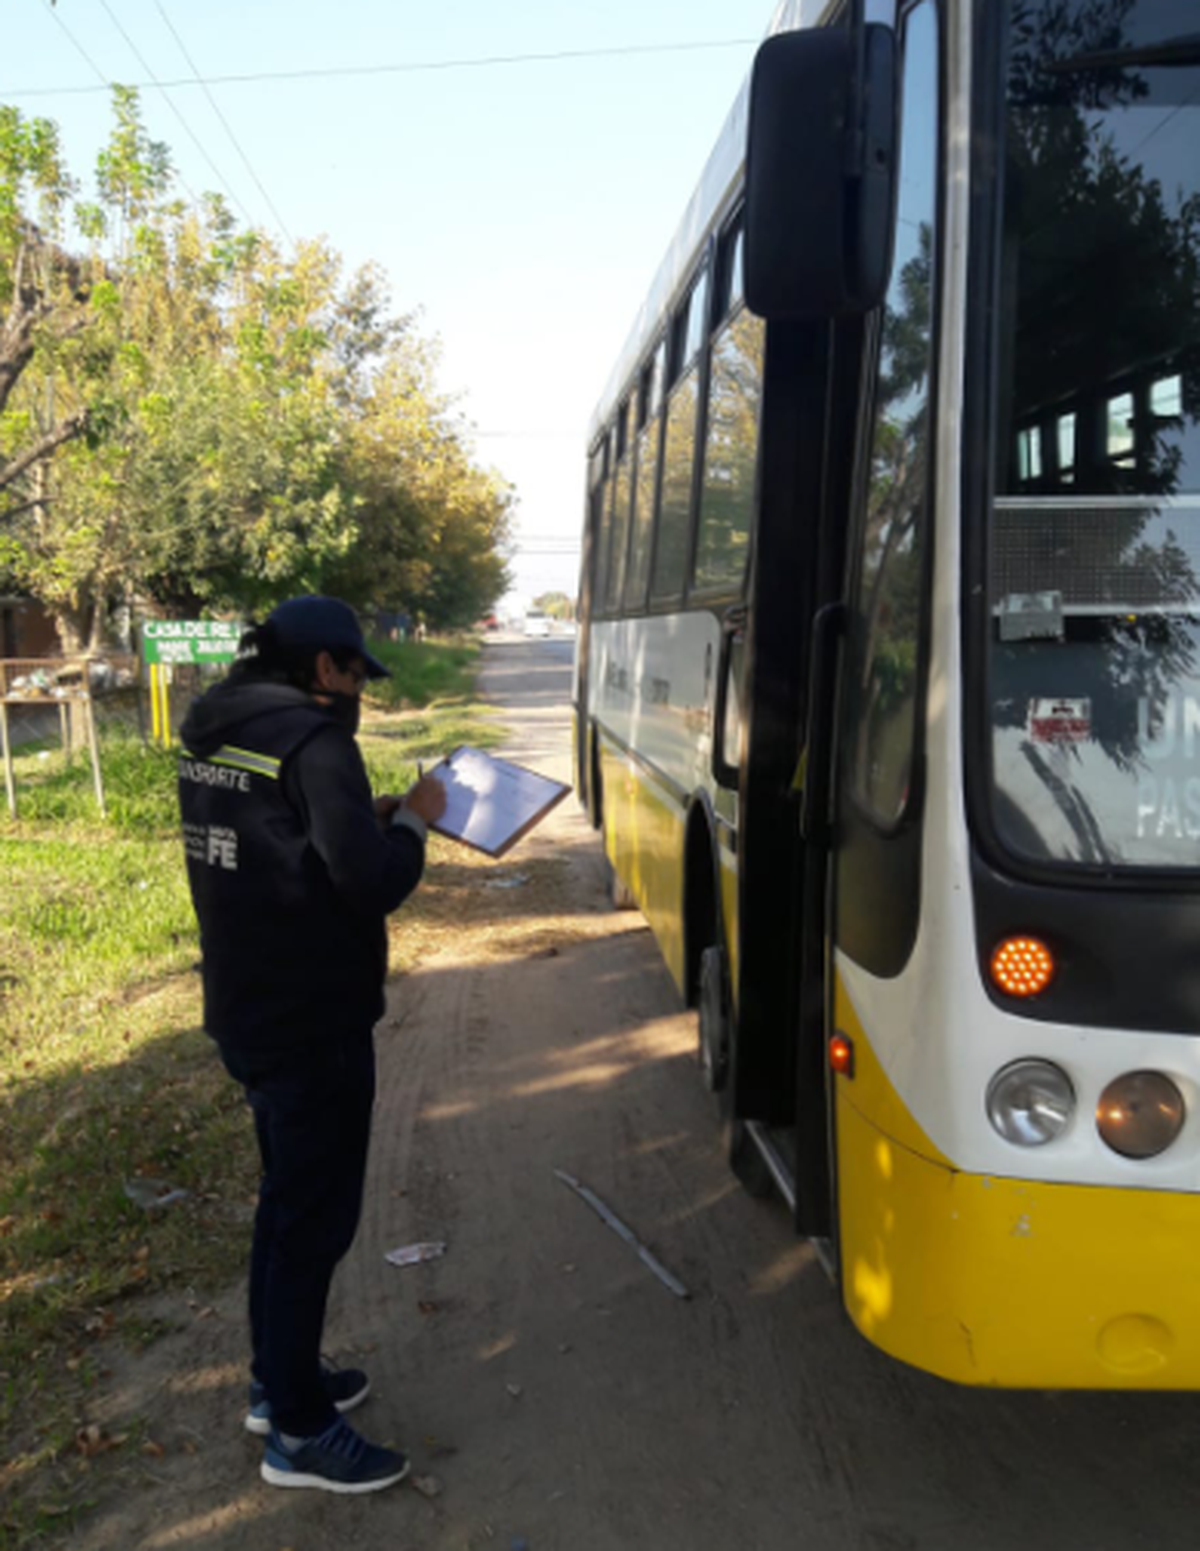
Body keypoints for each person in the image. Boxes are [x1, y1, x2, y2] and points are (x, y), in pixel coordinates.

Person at [177, 594, 446, 1494]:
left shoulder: (216, 729)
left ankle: (274, 1381)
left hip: (248, 1010)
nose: (361, 688)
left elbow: (280, 843)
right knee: (312, 1220)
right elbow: (368, 883)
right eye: (358, 671)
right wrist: (411, 820)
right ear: (324, 667)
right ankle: (297, 1430)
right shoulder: (318, 740)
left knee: (282, 1204)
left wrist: (353, 816)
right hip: (314, 1022)